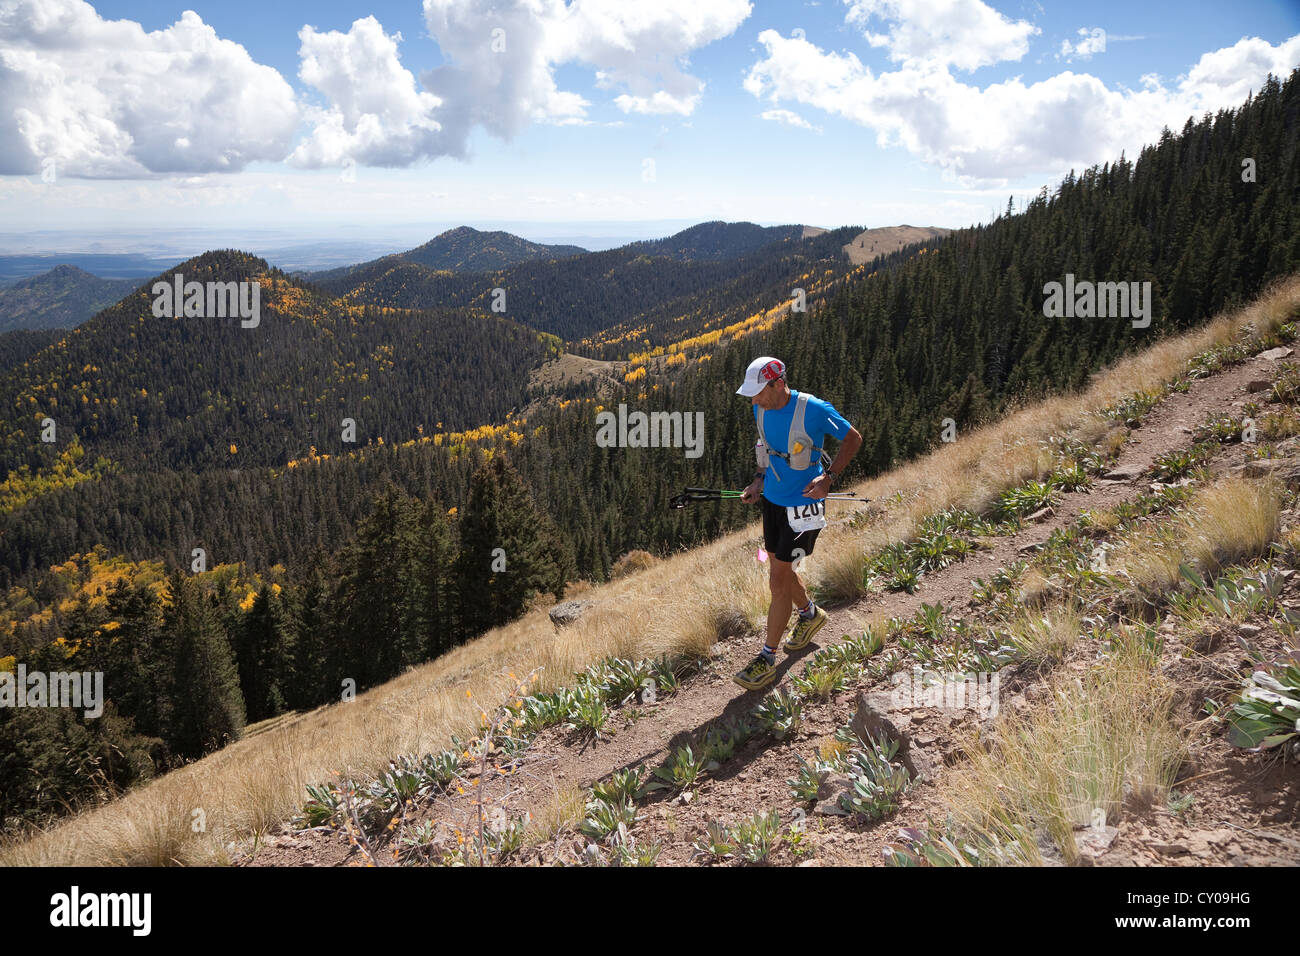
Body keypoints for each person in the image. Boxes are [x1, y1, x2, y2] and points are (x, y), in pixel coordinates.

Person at [732, 356, 862, 690]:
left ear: (777, 384)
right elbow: (764, 446)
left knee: (777, 581)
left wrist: (829, 478)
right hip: (773, 500)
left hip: (803, 505)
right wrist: (758, 482)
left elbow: (853, 439)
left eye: (758, 392)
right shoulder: (759, 408)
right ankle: (809, 614)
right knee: (780, 569)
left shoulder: (813, 409)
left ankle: (766, 658)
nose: (753, 400)